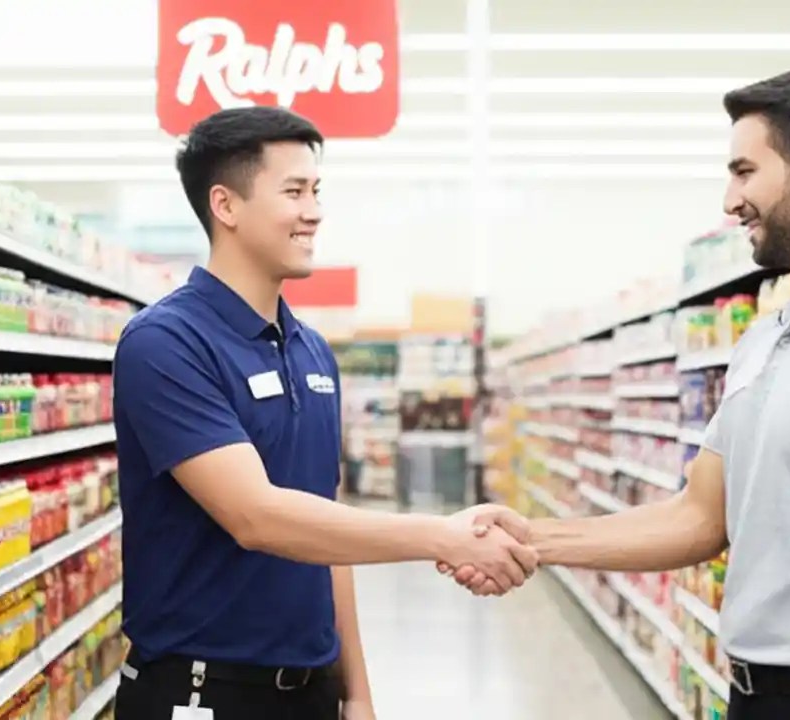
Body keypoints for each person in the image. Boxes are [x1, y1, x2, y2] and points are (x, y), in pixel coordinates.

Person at [444, 68, 790, 720]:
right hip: (750, 696)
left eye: (744, 171)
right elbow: (700, 516)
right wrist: (531, 539)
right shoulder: (765, 342)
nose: (730, 200)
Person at [110, 106, 537, 720]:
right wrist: (440, 536)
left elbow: (325, 528)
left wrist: (356, 691)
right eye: (294, 191)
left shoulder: (311, 351)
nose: (314, 210)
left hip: (309, 693)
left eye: (316, 190)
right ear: (225, 206)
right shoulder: (165, 343)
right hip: (200, 696)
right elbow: (256, 516)